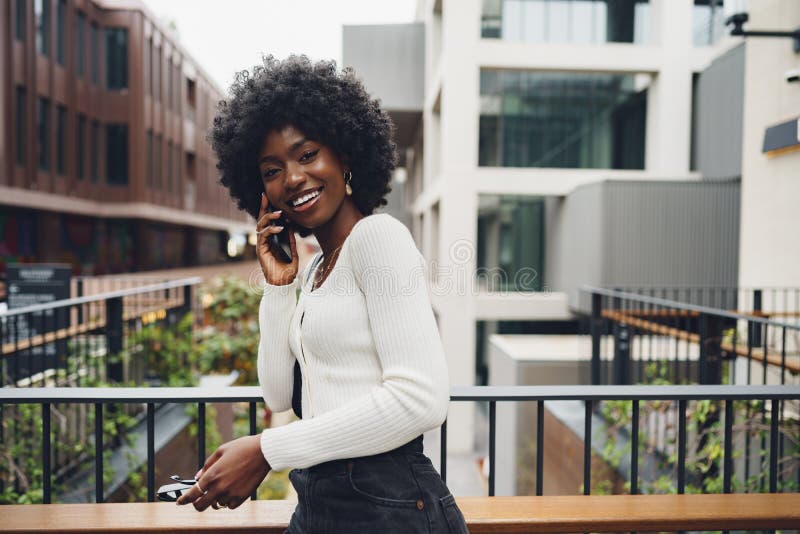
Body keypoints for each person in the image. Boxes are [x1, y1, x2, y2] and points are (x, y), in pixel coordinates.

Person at [177, 54, 468, 534]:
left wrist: (269, 450)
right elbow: (276, 394)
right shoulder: (313, 271)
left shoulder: (378, 238)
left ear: (346, 155)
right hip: (319, 503)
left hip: (388, 507)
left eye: (307, 154)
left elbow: (422, 399)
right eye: (272, 170)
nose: (292, 177)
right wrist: (278, 287)